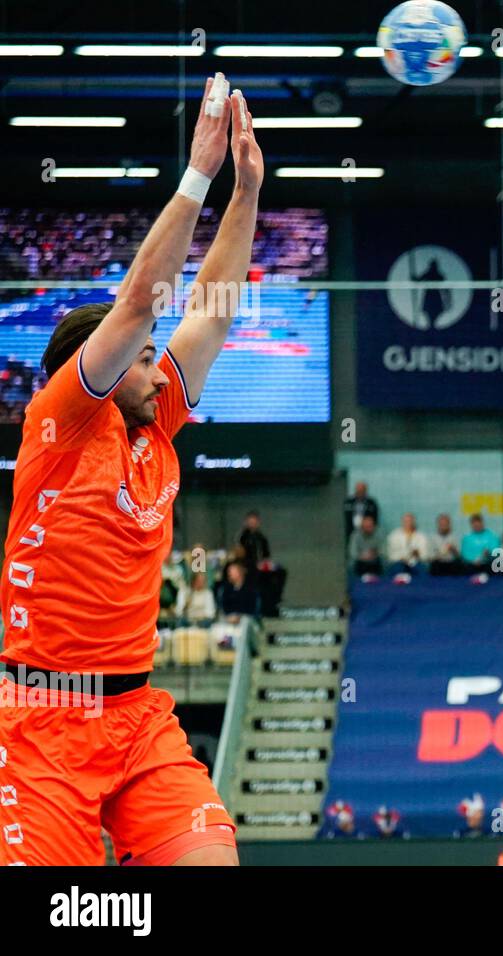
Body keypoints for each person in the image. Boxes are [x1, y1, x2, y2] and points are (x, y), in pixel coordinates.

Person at [0, 76, 259, 866]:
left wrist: (247, 189)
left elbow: (212, 308)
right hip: (40, 721)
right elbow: (144, 303)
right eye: (144, 358)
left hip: (137, 715)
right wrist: (197, 177)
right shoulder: (61, 420)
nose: (159, 365)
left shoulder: (157, 424)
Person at [385, 512, 428, 577]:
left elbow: (425, 555)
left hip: (415, 562)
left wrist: (418, 554)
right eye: (406, 521)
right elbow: (390, 554)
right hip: (398, 562)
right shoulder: (394, 535)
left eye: (410, 521)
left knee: (421, 569)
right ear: (402, 522)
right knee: (397, 568)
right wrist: (402, 558)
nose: (408, 523)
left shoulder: (421, 536)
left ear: (414, 522)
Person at [348, 514, 384, 578]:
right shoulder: (355, 535)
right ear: (362, 527)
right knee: (352, 563)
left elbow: (383, 549)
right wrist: (362, 556)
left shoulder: (379, 533)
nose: (368, 528)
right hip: (360, 560)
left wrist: (374, 554)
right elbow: (352, 552)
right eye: (366, 526)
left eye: (370, 526)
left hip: (375, 560)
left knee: (383, 561)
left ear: (374, 526)